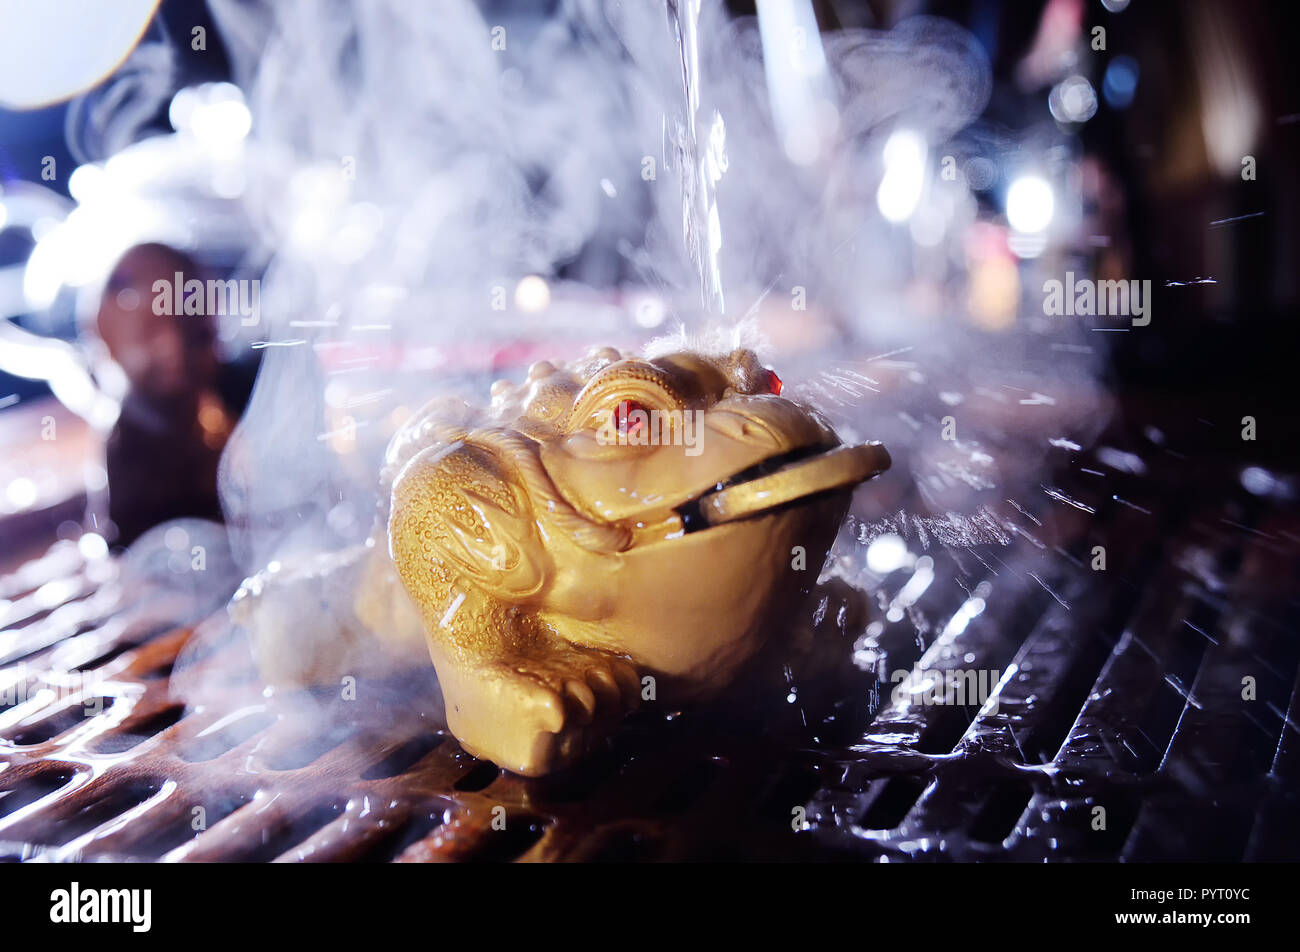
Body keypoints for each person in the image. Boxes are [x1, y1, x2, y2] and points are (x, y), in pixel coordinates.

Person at [93, 243, 234, 546]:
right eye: (150, 334)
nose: (175, 349)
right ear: (106, 334)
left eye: (197, 333)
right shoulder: (129, 458)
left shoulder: (222, 415)